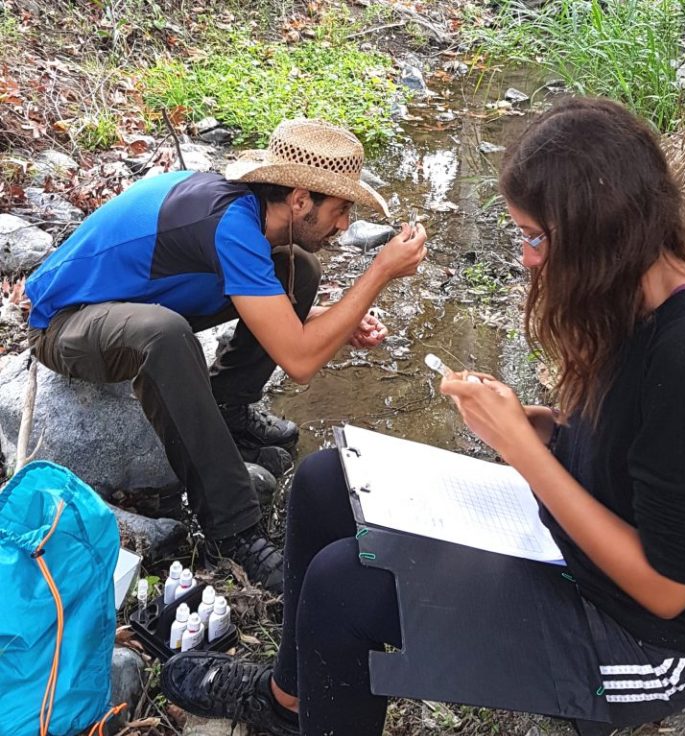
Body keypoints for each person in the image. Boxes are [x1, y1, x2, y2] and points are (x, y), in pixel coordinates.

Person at [160, 97, 685, 736]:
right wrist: (551, 429)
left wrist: (525, 452)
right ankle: (291, 700)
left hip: (646, 638)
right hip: (578, 550)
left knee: (345, 591)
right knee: (325, 482)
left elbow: (669, 587)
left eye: (533, 239)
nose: (525, 261)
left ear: (598, 236)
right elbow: (622, 453)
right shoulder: (632, 300)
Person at [24, 119, 427, 593]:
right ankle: (232, 528)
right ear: (300, 200)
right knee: (166, 337)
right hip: (63, 324)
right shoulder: (228, 225)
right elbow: (299, 361)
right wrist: (378, 273)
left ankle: (227, 407)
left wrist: (334, 316)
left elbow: (259, 296)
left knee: (298, 269)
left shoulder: (248, 211)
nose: (343, 225)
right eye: (339, 210)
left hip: (132, 300)